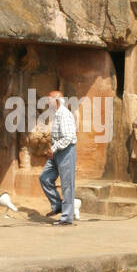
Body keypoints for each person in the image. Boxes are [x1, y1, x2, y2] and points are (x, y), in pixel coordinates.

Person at [39, 89, 78, 225]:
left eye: (48, 99)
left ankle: (66, 218)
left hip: (66, 152)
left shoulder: (65, 115)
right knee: (45, 178)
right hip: (56, 152)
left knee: (67, 185)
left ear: (56, 100)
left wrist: (53, 149)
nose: (47, 101)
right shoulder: (56, 115)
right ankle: (58, 206)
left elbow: (68, 137)